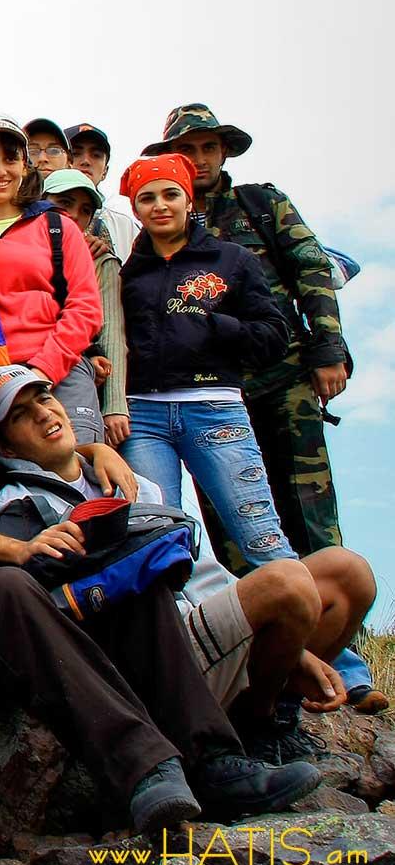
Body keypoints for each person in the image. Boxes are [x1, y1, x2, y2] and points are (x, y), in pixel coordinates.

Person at [0, 298, 319, 835]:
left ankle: (211, 761)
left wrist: (97, 451)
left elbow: (44, 442)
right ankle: (144, 769)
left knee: (132, 579)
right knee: (9, 584)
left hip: (14, 617)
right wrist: (20, 550)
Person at [0, 367, 376, 766]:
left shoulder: (130, 480)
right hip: (158, 655)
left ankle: (275, 708)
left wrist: (291, 644)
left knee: (349, 573)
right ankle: (256, 727)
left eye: (45, 398)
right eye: (19, 415)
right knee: (288, 584)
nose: (42, 414)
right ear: (8, 449)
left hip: (207, 625)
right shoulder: (19, 506)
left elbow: (199, 564)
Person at [148, 105, 352, 564]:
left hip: (284, 376)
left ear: (224, 152)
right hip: (210, 392)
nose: (199, 159)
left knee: (308, 506)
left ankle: (338, 628)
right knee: (232, 521)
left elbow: (313, 270)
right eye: (187, 150)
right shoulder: (160, 223)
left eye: (208, 148)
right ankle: (255, 631)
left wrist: (327, 348)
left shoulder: (261, 204)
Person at [115, 154, 294, 565]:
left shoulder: (233, 260)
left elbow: (274, 336)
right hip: (142, 417)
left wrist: (216, 326)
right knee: (155, 541)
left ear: (188, 199)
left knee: (261, 539)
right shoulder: (128, 273)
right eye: (147, 198)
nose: (160, 205)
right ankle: (180, 627)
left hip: (216, 410)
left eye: (170, 194)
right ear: (136, 208)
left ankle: (299, 620)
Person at [0, 116, 103, 445]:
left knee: (81, 479)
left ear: (25, 165)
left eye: (10, 157)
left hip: (58, 376)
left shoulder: (57, 226)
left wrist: (42, 371)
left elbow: (86, 308)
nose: (0, 169)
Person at [41, 168, 129, 448]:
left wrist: (115, 407)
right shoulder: (12, 248)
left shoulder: (101, 261)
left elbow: (111, 335)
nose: (75, 216)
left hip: (75, 387)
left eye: (86, 209)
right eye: (64, 203)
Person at [63, 123, 140, 256]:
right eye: (76, 153)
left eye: (96, 155)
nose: (86, 161)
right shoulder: (34, 214)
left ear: (105, 171)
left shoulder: (125, 227)